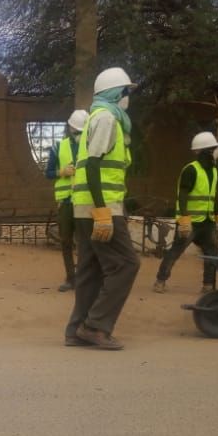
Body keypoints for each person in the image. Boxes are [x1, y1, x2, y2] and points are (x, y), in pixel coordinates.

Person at [65, 67, 141, 350]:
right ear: (113, 93)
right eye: (125, 92)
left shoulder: (100, 118)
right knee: (126, 264)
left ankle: (75, 331)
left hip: (84, 207)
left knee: (90, 269)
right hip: (101, 207)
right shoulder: (107, 119)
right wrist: (102, 211)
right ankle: (95, 326)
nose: (127, 98)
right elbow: (95, 164)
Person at [153, 131, 218, 294]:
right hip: (190, 222)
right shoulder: (191, 170)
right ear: (206, 151)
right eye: (214, 148)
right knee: (175, 251)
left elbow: (214, 195)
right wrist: (184, 219)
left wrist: (217, 215)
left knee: (212, 254)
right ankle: (160, 280)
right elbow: (182, 195)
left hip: (207, 222)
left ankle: (208, 286)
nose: (217, 151)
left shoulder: (214, 170)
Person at [45, 109, 88, 291]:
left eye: (81, 131)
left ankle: (85, 278)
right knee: (66, 241)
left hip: (85, 201)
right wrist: (61, 172)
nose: (77, 134)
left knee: (85, 243)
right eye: (76, 130)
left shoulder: (91, 147)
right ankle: (71, 278)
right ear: (70, 128)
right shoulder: (58, 147)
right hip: (66, 202)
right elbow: (48, 173)